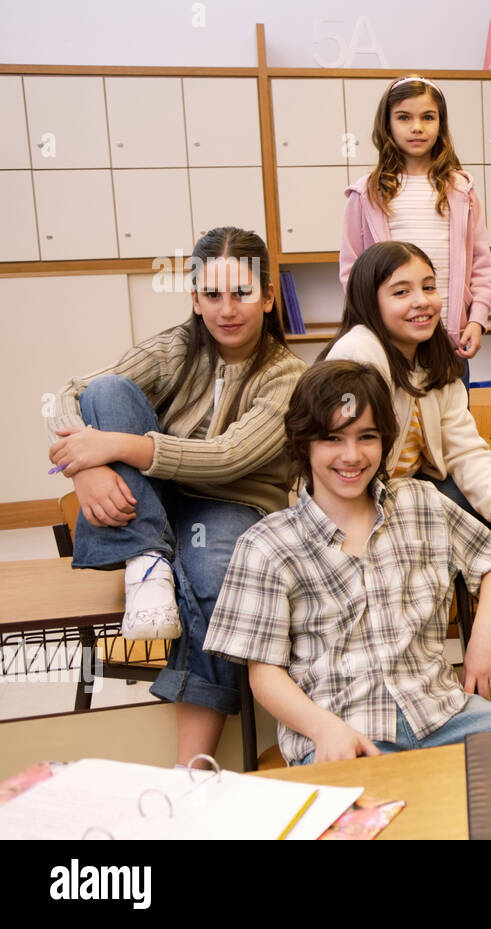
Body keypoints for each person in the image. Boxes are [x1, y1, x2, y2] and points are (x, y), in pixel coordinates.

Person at [46, 226, 306, 764]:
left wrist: (116, 444)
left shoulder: (287, 376)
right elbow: (73, 395)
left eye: (242, 292)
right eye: (212, 294)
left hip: (234, 503)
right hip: (157, 499)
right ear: (194, 297)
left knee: (215, 576)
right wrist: (86, 472)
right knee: (109, 391)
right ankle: (147, 559)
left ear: (268, 295)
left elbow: (230, 457)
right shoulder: (174, 349)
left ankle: (193, 767)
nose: (226, 309)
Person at [204, 361, 491, 765]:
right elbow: (264, 675)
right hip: (344, 733)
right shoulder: (267, 545)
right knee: (387, 825)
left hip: (444, 716)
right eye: (332, 438)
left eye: (366, 437)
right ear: (304, 443)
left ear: (384, 441)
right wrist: (321, 728)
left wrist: (485, 632)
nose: (351, 456)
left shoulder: (421, 502)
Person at [323, 241, 491, 560]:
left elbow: (464, 448)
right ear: (370, 301)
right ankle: (416, 539)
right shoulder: (358, 355)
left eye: (428, 287)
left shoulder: (433, 357)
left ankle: (424, 535)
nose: (422, 301)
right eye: (401, 292)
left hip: (412, 488)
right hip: (361, 497)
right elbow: (344, 461)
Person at [340, 75, 491, 382]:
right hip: (388, 343)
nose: (417, 127)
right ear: (387, 124)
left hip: (450, 342)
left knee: (451, 423)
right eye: (404, 117)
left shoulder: (462, 191)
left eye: (428, 117)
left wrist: (476, 320)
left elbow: (482, 264)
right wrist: (373, 325)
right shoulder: (365, 194)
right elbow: (352, 271)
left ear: (441, 124)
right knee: (393, 425)